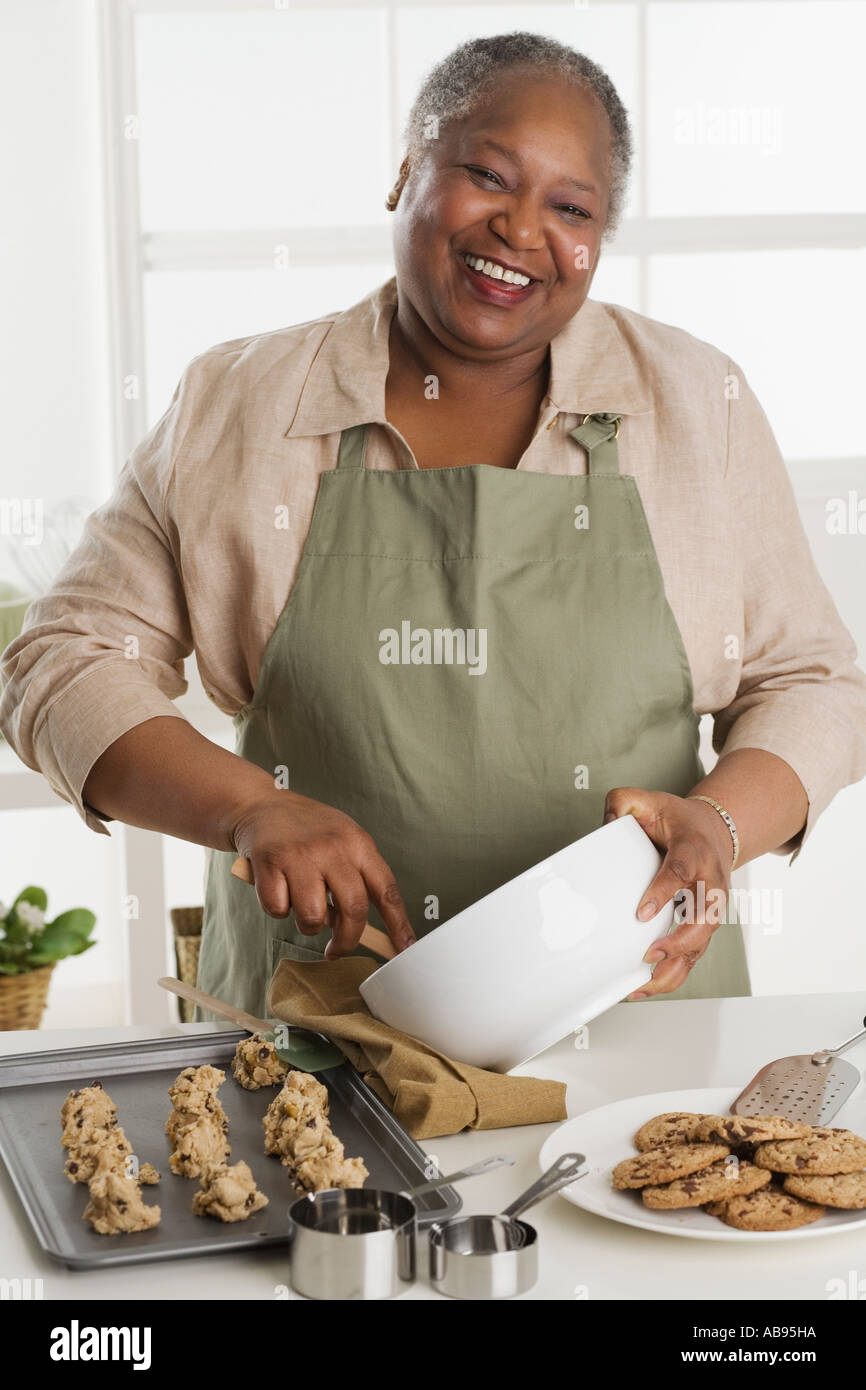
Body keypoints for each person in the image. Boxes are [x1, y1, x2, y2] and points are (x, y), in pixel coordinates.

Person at [3, 33, 865, 1019]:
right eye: (485, 174)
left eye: (570, 208)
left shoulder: (692, 405)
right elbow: (62, 656)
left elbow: (811, 680)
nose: (519, 229)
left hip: (634, 1017)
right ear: (404, 172)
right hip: (318, 1021)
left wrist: (715, 823)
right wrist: (250, 806)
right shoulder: (237, 405)